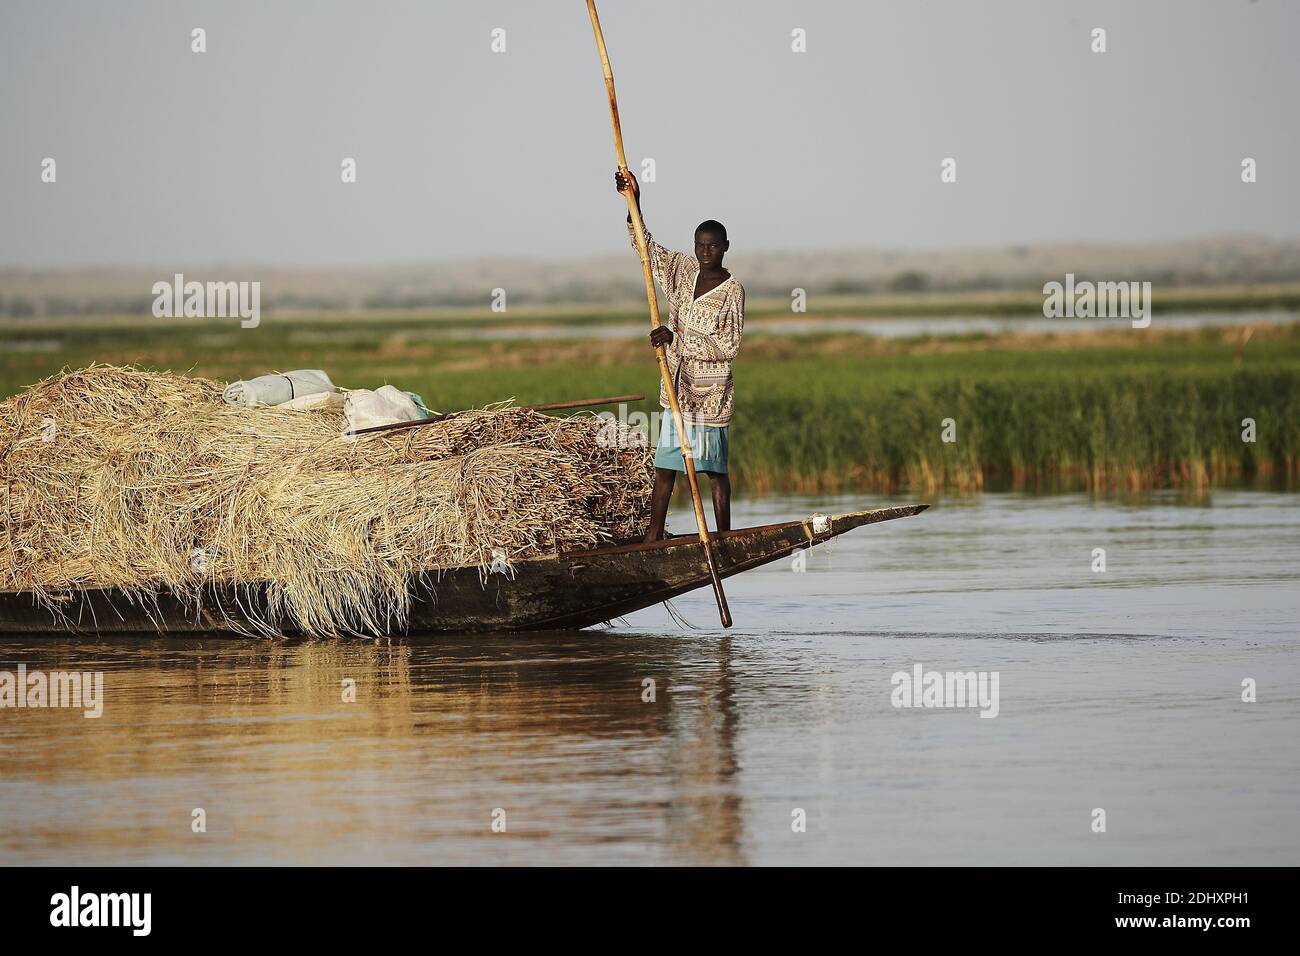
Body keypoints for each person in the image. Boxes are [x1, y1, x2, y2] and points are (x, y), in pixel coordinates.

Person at [615, 167, 744, 542]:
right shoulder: (683, 273)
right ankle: (653, 537)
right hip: (677, 390)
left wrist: (676, 341)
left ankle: (723, 537)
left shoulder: (733, 291)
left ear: (725, 247)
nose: (706, 252)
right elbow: (646, 247)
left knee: (715, 471)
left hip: (712, 395)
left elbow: (729, 346)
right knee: (666, 467)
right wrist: (634, 201)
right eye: (700, 245)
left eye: (713, 246)